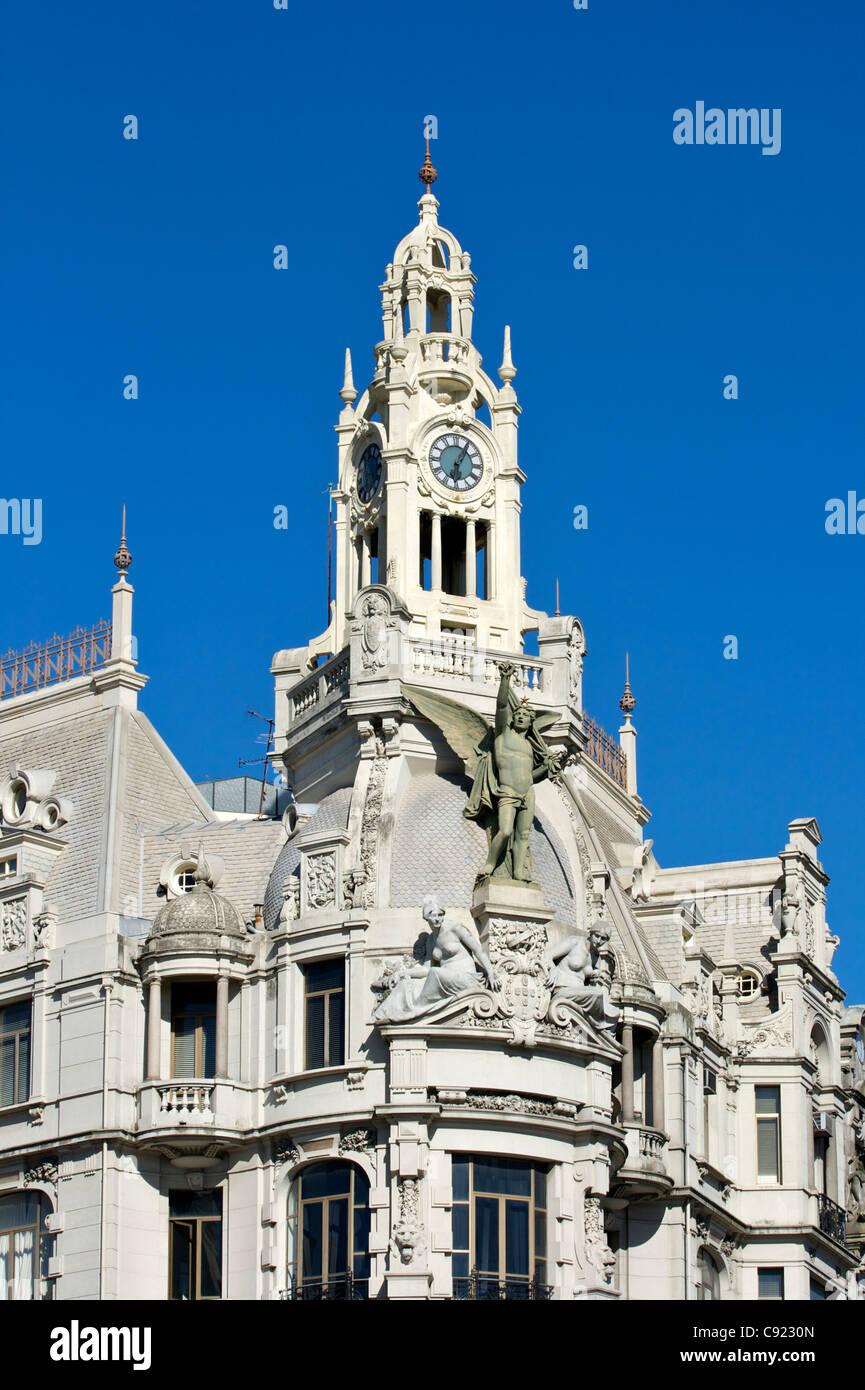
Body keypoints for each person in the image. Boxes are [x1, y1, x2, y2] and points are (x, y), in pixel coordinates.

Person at [467, 663, 561, 884]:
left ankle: (519, 871)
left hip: (527, 792)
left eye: (525, 716)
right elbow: (501, 707)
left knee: (523, 836)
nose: (520, 717)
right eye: (517, 714)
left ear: (530, 723)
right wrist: (505, 681)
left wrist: (547, 769)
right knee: (506, 831)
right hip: (507, 792)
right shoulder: (502, 735)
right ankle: (491, 863)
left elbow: (531, 776)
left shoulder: (530, 747)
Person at [373, 895, 497, 1024]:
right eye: (433, 916)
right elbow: (426, 969)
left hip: (467, 979)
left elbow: (478, 950)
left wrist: (491, 973)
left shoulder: (455, 928)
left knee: (435, 972)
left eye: (440, 915)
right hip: (444, 980)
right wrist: (402, 973)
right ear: (426, 918)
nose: (437, 919)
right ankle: (381, 1015)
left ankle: (415, 1014)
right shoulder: (431, 941)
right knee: (407, 985)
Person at [546, 922, 619, 1032]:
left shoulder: (595, 955)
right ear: (591, 933)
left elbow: (588, 976)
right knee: (598, 994)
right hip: (563, 990)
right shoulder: (575, 942)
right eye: (597, 936)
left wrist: (595, 974)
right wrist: (553, 969)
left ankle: (601, 1033)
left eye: (603, 939)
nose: (598, 941)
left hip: (579, 992)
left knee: (615, 1013)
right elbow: (548, 955)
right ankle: (598, 1028)